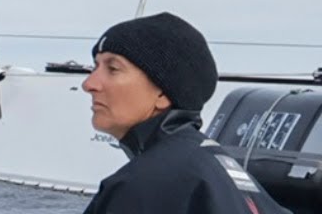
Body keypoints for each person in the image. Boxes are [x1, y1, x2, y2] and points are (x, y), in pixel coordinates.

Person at [81, 12, 289, 214]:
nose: (89, 84)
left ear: (163, 93)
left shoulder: (146, 186)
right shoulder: (215, 172)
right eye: (95, 67)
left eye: (113, 68)